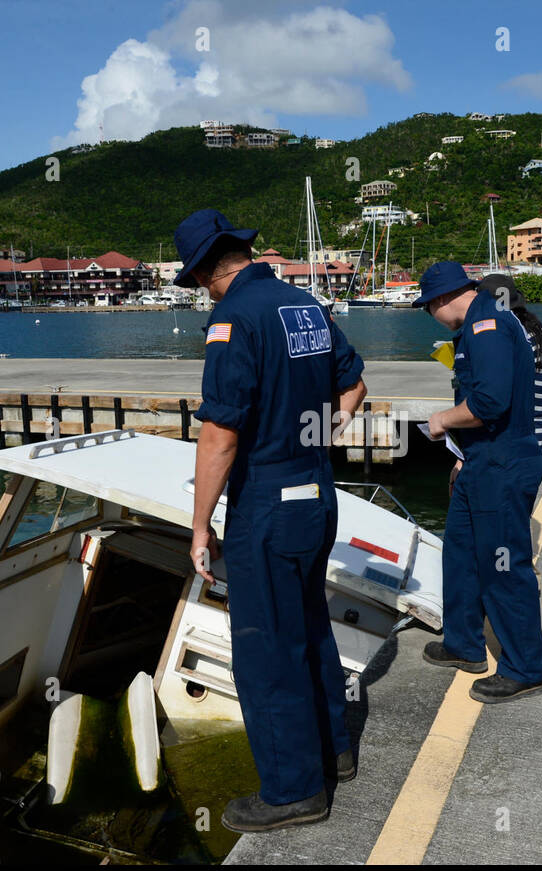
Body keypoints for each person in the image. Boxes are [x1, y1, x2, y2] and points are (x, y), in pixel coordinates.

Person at [174, 208, 369, 833]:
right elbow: (354, 387)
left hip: (267, 506)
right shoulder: (305, 305)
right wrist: (310, 441)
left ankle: (292, 791)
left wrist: (201, 524)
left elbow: (220, 435)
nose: (202, 289)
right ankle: (333, 751)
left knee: (265, 649)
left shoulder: (232, 318)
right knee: (311, 626)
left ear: (208, 268)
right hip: (317, 492)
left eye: (198, 279)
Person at [417, 262, 542, 703]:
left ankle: (525, 668)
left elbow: (489, 401)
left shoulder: (487, 324)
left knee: (503, 566)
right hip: (479, 461)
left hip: (503, 464)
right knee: (460, 554)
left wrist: (440, 421)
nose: (428, 315)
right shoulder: (477, 324)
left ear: (440, 300)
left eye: (426, 308)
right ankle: (463, 643)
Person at [475, 273, 542, 455]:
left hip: (512, 440)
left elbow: (497, 388)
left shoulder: (507, 333)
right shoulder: (537, 328)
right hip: (537, 434)